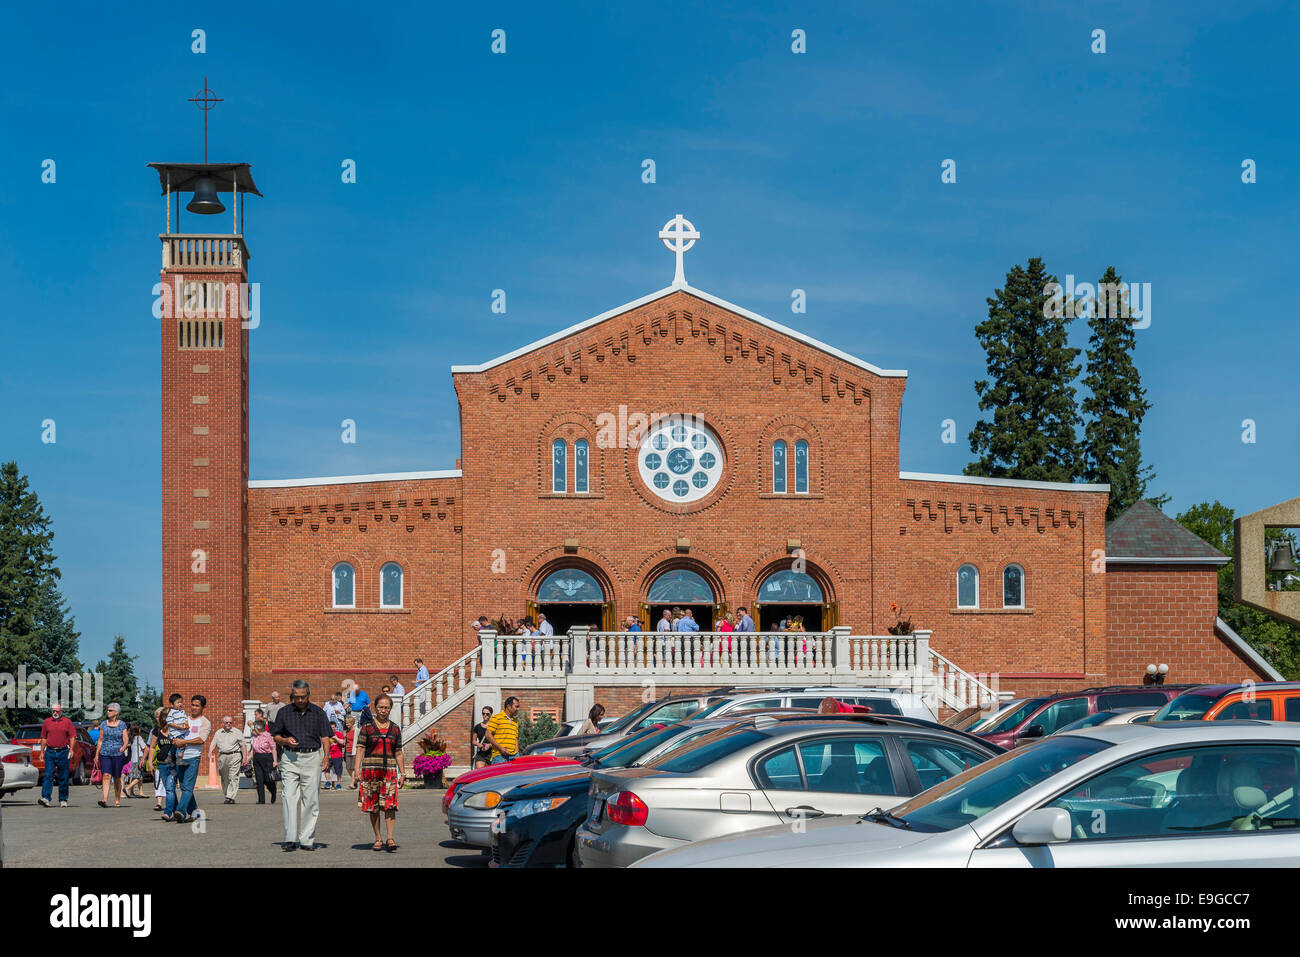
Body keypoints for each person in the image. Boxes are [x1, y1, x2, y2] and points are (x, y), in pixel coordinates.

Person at [269, 679, 334, 851]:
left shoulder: (319, 713)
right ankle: (290, 839)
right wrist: (285, 741)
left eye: (302, 697)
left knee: (310, 800)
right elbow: (275, 735)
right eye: (296, 697)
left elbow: (326, 737)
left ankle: (306, 840)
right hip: (290, 758)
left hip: (312, 757)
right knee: (288, 796)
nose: (299, 700)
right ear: (292, 695)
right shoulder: (284, 712)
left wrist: (326, 756)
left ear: (308, 695)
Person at [351, 693, 405, 852]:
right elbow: (360, 748)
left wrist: (403, 773)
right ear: (375, 708)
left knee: (389, 806)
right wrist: (356, 769)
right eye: (381, 707)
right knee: (373, 807)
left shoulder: (395, 729)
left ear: (390, 709)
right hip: (370, 772)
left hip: (389, 772)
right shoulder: (367, 727)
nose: (383, 710)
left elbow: (399, 752)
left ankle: (390, 838)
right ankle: (378, 839)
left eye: (386, 708)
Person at [167, 695, 210, 823]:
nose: (194, 708)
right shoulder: (184, 718)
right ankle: (195, 813)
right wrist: (175, 740)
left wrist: (184, 741)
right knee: (184, 786)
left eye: (197, 705)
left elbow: (201, 739)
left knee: (188, 787)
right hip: (180, 756)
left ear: (203, 707)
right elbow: (173, 731)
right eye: (192, 705)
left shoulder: (205, 722)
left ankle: (180, 810)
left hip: (193, 757)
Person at [37, 703, 77, 808]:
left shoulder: (67, 722)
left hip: (63, 751)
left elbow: (73, 737)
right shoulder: (47, 722)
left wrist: (71, 749)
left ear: (61, 711)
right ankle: (45, 798)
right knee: (48, 775)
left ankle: (63, 799)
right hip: (50, 752)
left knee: (63, 776)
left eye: (57, 711)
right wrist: (42, 751)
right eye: (53, 711)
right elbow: (44, 738)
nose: (55, 713)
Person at [94, 703, 130, 808]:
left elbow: (126, 738)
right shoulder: (103, 725)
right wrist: (96, 754)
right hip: (104, 753)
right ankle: (104, 800)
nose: (108, 712)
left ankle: (117, 799)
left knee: (117, 777)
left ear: (116, 712)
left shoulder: (122, 724)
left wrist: (123, 747)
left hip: (118, 754)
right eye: (107, 710)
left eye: (110, 710)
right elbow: (100, 740)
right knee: (106, 775)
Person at [209, 715, 249, 805]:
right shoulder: (218, 732)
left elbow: (243, 745)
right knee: (224, 778)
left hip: (235, 755)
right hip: (222, 756)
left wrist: (245, 758)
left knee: (233, 776)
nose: (228, 724)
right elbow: (213, 743)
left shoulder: (237, 732)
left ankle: (230, 796)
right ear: (222, 723)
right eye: (226, 722)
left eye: (230, 722)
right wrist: (210, 752)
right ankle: (227, 795)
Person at [483, 697, 521, 764]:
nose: (518, 709)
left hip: (514, 757)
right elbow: (488, 734)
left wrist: (517, 752)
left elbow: (515, 738)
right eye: (516, 707)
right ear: (509, 706)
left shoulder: (515, 721)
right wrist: (500, 748)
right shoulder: (496, 718)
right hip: (500, 757)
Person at [248, 718, 278, 804]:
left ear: (257, 728)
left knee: (267, 780)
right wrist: (247, 760)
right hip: (257, 758)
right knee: (259, 780)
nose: (253, 729)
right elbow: (253, 750)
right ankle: (261, 800)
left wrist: (275, 761)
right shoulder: (254, 737)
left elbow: (273, 749)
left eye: (254, 727)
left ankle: (273, 792)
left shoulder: (268, 736)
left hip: (267, 758)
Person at [124, 723, 148, 799]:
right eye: (139, 728)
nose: (140, 729)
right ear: (137, 730)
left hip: (133, 759)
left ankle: (133, 792)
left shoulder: (132, 738)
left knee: (134, 776)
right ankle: (127, 788)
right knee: (139, 777)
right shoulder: (139, 738)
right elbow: (144, 747)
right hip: (139, 758)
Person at [326, 724, 345, 790]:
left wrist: (336, 738)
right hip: (329, 755)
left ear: (335, 727)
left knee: (338, 770)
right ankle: (328, 782)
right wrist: (329, 743)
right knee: (327, 768)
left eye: (333, 727)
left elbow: (343, 742)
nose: (332, 729)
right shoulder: (327, 735)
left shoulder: (339, 734)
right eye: (331, 727)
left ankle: (338, 784)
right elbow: (324, 745)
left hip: (338, 755)